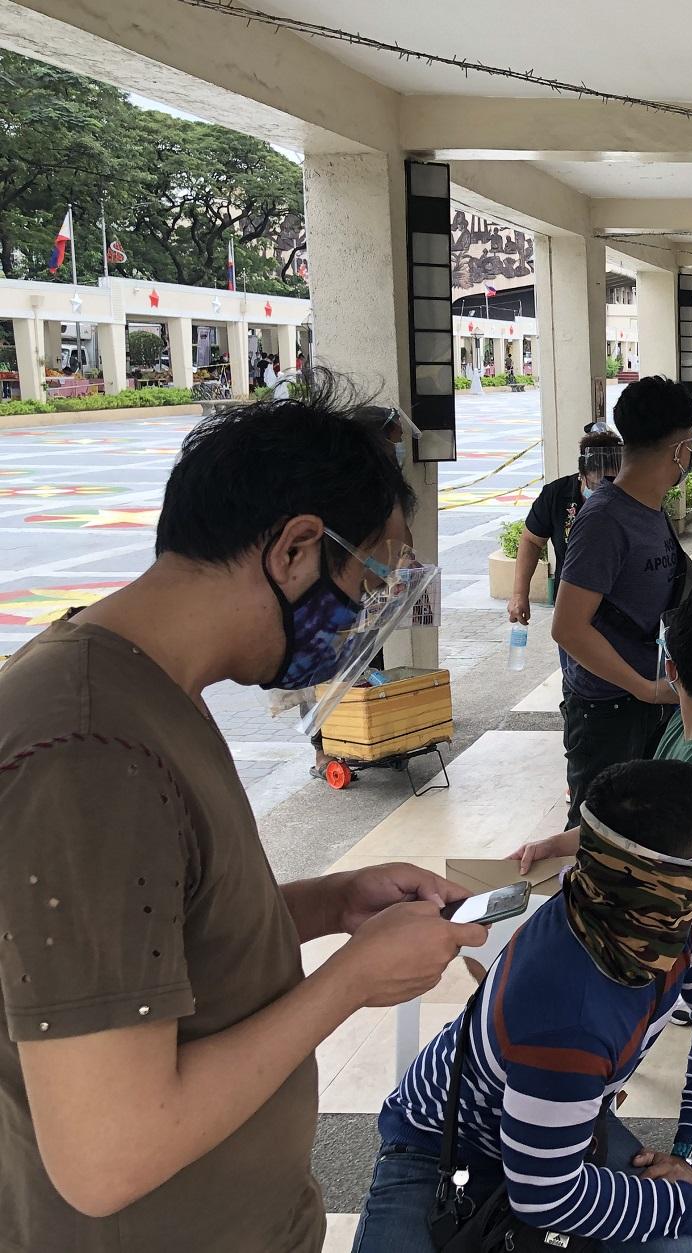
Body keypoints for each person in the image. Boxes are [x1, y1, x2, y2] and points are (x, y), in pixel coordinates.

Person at [0, 382, 483, 1251]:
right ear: (296, 549)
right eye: (365, 583)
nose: (360, 621)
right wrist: (351, 980)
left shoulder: (150, 690)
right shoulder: (89, 752)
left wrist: (332, 903)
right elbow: (107, 1154)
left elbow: (157, 939)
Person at [353, 760, 692, 1253]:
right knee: (680, 1234)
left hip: (559, 1138)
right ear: (667, 879)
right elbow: (547, 1195)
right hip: (444, 1151)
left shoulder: (671, 916)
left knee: (677, 1247)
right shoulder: (569, 1014)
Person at [510, 593, 692, 966]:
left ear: (671, 670)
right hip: (661, 904)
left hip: (688, 943)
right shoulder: (688, 723)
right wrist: (556, 845)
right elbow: (636, 825)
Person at [550, 375, 692, 829]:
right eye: (690, 442)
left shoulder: (649, 508)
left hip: (644, 700)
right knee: (598, 833)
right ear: (678, 451)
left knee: (644, 826)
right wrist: (644, 688)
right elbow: (568, 628)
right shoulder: (605, 520)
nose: (691, 453)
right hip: (608, 710)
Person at [510, 430, 623, 624]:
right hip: (571, 603)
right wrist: (520, 594)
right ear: (582, 474)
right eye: (597, 484)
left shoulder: (632, 494)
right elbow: (532, 540)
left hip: (621, 607)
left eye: (612, 483)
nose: (605, 492)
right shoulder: (556, 494)